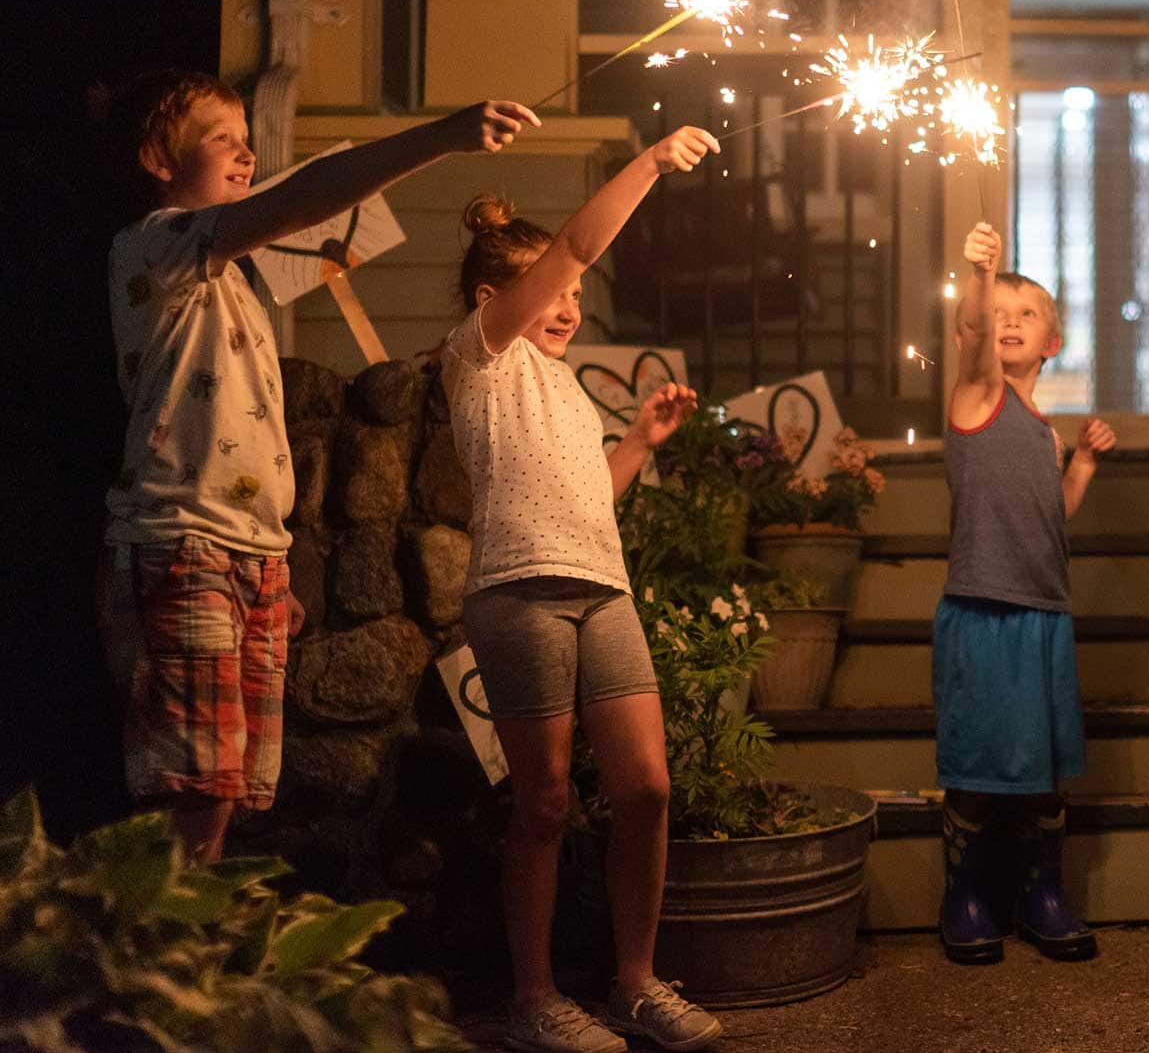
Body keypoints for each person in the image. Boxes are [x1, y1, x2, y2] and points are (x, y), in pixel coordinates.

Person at [98, 68, 537, 865]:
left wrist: (275, 559)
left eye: (246, 138)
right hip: (182, 541)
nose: (244, 152)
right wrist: (442, 135)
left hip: (247, 555)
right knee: (191, 789)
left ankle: (187, 961)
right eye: (218, 138)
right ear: (159, 161)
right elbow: (312, 194)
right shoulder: (155, 246)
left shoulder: (231, 287)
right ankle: (154, 972)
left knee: (227, 790)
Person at [444, 123, 722, 1053]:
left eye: (571, 296)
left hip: (601, 588)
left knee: (646, 785)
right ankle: (535, 997)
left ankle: (636, 984)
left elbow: (584, 502)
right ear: (497, 298)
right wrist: (647, 164)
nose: (567, 303)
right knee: (548, 800)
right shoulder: (479, 358)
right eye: (550, 292)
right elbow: (575, 243)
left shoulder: (564, 388)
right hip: (518, 594)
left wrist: (637, 443)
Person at [935, 219, 1117, 965]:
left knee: (1042, 776)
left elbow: (1054, 515)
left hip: (1044, 613)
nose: (1007, 320)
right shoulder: (977, 394)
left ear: (1053, 341)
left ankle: (1044, 893)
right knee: (979, 770)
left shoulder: (1044, 429)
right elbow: (979, 329)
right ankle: (967, 896)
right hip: (982, 610)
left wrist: (1080, 467)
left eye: (1027, 312)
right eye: (994, 313)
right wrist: (981, 272)